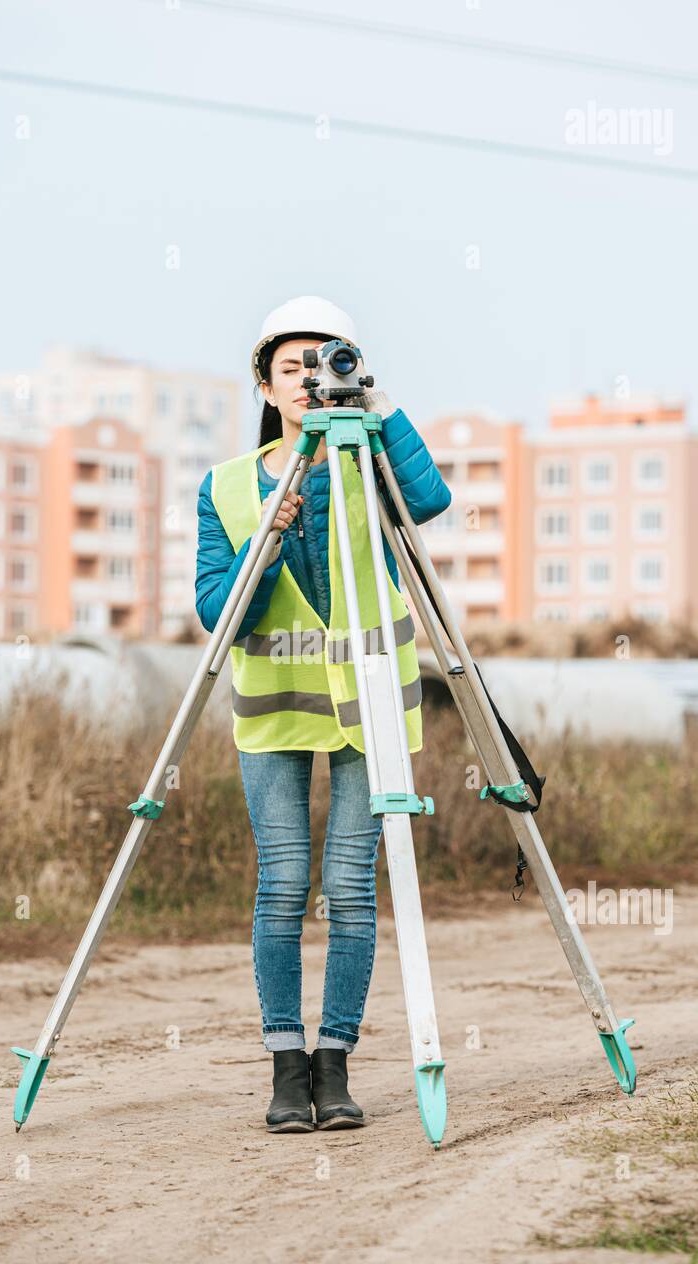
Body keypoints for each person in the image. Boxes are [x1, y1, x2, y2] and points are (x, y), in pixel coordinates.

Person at [195, 296, 451, 1134]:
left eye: (325, 362)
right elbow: (212, 610)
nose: (308, 379)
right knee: (281, 888)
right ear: (264, 386)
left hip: (367, 702)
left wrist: (372, 408)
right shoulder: (227, 487)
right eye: (291, 367)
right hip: (274, 709)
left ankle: (334, 1064)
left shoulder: (366, 461)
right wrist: (264, 540)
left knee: (347, 890)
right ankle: (284, 1066)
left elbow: (432, 501)